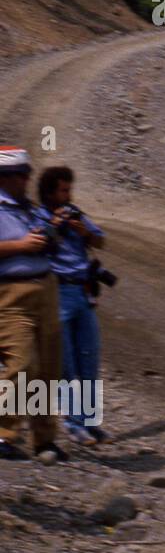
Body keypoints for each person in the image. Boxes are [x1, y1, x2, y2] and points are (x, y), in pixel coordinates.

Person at [0, 146, 67, 463]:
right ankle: (4, 432)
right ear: (6, 178)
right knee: (22, 364)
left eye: (27, 174)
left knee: (49, 369)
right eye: (21, 175)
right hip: (10, 294)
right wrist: (21, 246)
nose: (27, 180)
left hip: (45, 287)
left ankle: (44, 440)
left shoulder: (29, 208)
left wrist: (51, 235)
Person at [36, 166, 108, 445]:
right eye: (63, 190)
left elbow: (101, 240)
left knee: (89, 358)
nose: (68, 195)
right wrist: (54, 227)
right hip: (58, 292)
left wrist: (84, 232)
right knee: (66, 364)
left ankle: (90, 422)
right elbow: (40, 246)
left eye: (69, 189)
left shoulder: (76, 213)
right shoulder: (38, 217)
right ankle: (73, 423)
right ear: (50, 192)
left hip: (82, 291)